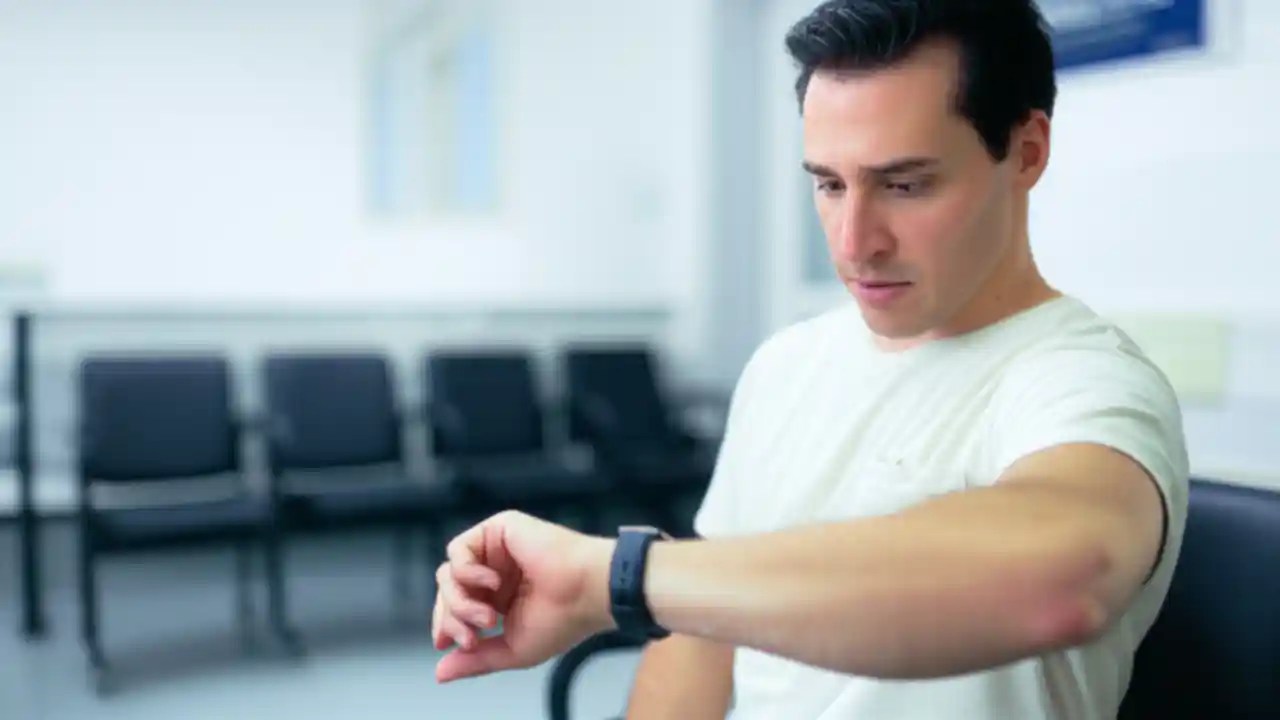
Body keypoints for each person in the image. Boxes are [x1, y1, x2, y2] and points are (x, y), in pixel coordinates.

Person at [430, 1, 1188, 717]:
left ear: (1026, 152)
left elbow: (1060, 580)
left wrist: (616, 581)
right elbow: (702, 638)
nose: (855, 242)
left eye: (905, 184)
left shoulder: (1085, 381)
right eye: (829, 184)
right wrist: (649, 587)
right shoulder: (786, 365)